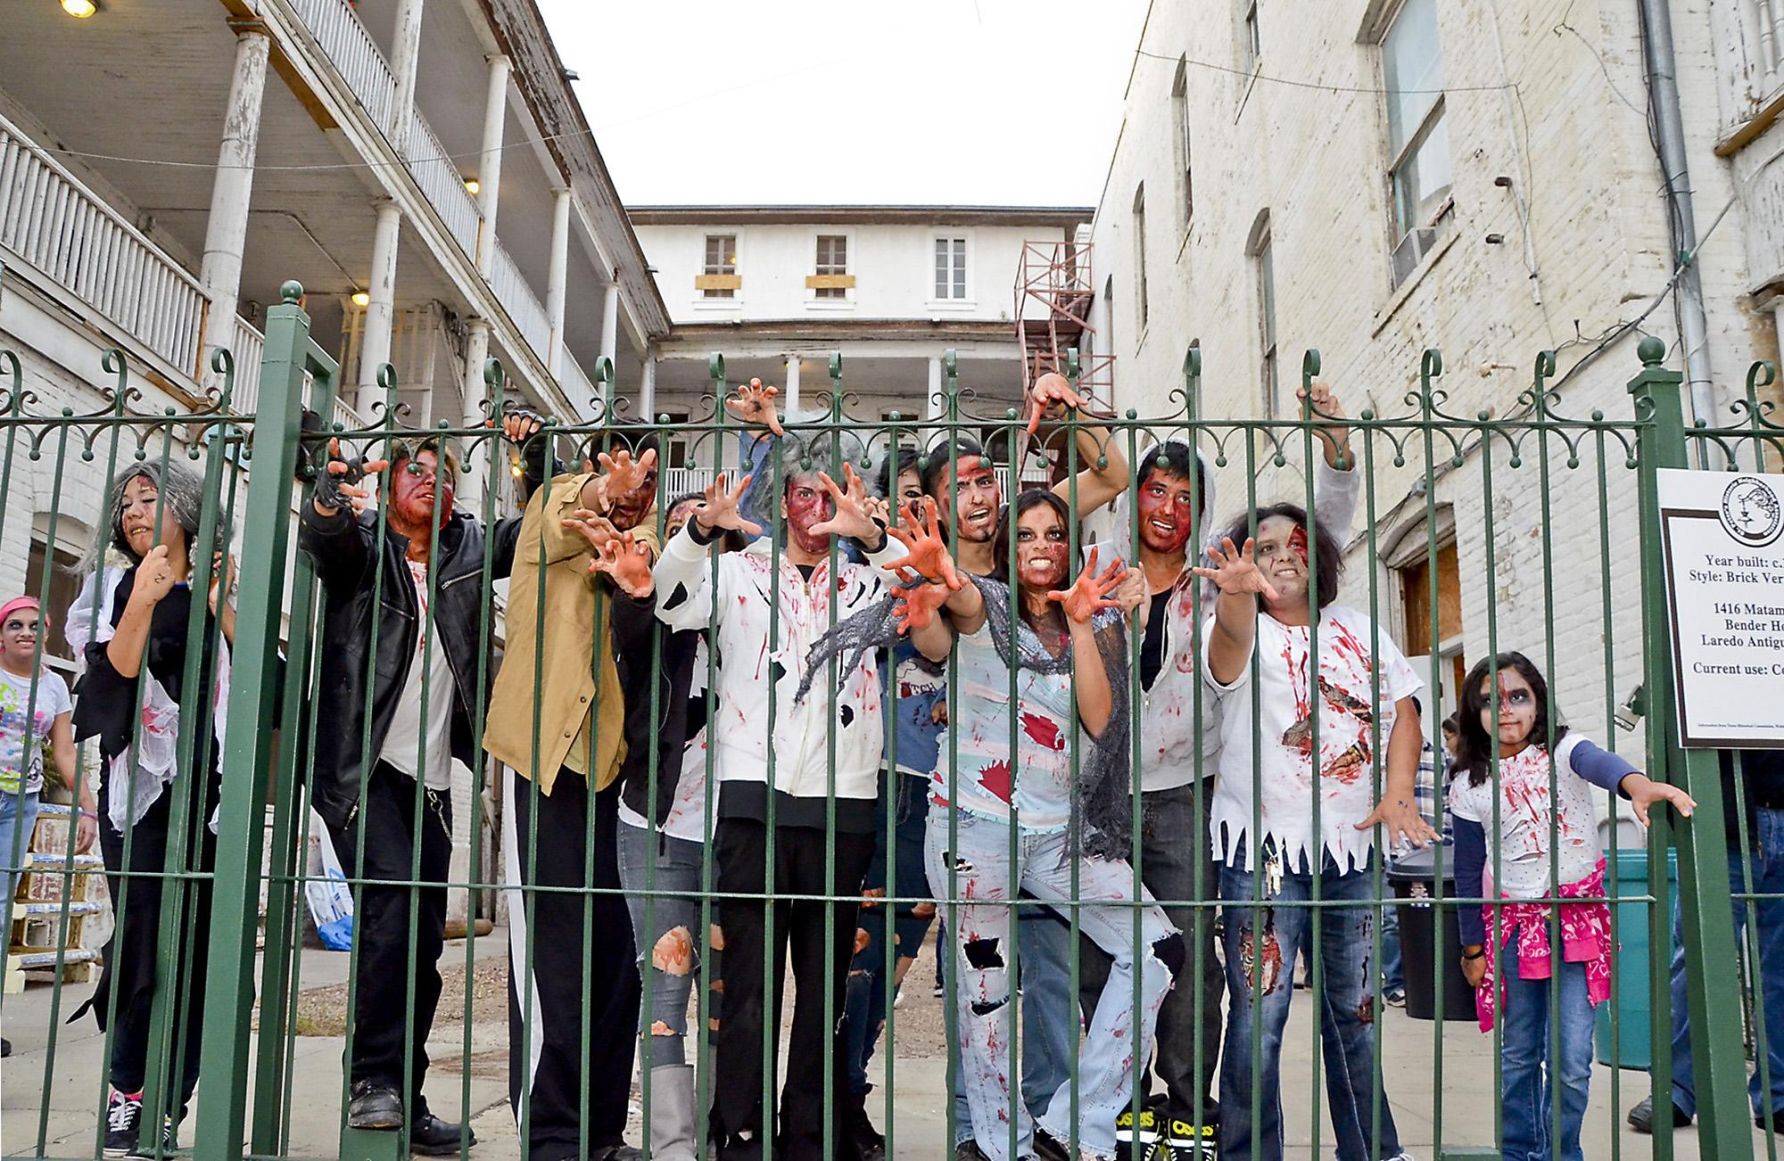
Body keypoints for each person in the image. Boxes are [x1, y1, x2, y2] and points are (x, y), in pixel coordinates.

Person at [1078, 382, 1358, 1147]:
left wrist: (1337, 456)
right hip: (1099, 791)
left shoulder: (1222, 573)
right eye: (1154, 489)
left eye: (1184, 495)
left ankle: (1186, 1101)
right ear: (1134, 497)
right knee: (1101, 948)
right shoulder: (1099, 567)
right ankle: (1118, 1095)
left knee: (1188, 950)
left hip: (1185, 790)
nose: (1167, 507)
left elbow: (1317, 541)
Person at [650, 432, 908, 1161]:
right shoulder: (737, 572)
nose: (816, 508)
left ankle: (809, 1136)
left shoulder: (867, 581)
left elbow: (926, 592)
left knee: (825, 988)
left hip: (843, 800)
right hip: (751, 797)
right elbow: (666, 600)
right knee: (749, 984)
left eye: (830, 496)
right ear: (783, 500)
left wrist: (874, 538)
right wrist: (700, 532)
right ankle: (740, 1131)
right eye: (803, 493)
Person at [907, 489, 1183, 1161]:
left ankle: (1072, 1126)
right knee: (987, 996)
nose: (1040, 544)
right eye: (1026, 533)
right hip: (974, 828)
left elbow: (1100, 719)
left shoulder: (1096, 618)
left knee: (1157, 947)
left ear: (1068, 546)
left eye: (1054, 533)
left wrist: (1083, 625)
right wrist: (939, 573)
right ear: (1009, 546)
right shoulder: (988, 605)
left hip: (1063, 835)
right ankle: (1004, 1146)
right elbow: (957, 605)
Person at [298, 426, 540, 1154]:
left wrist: (535, 458)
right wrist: (329, 494)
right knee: (394, 911)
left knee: (420, 941)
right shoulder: (367, 547)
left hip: (431, 781)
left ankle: (405, 1090)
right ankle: (373, 1078)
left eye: (444, 472)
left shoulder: (467, 548)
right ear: (389, 482)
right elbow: (327, 541)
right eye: (416, 469)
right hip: (362, 769)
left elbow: (532, 531)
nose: (431, 480)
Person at [920, 373, 1131, 1160]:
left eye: (984, 480)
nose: (977, 496)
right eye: (958, 486)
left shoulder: (1032, 531)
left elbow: (1113, 473)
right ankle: (975, 1130)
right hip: (968, 797)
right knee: (979, 976)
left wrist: (1069, 410)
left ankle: (1047, 1122)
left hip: (1051, 801)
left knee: (1048, 970)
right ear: (937, 504)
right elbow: (935, 637)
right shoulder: (943, 569)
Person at [1197, 503, 1431, 1161]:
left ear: (1318, 554)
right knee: (1260, 1017)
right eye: (1263, 546)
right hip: (1264, 854)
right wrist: (1236, 597)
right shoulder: (1237, 625)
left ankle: (1373, 1151)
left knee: (1356, 1013)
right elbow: (1227, 653)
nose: (1280, 555)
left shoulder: (1359, 627)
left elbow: (1404, 712)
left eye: (1293, 543)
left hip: (1352, 850)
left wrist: (1398, 790)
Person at [483, 429, 661, 1161]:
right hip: (548, 761)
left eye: (646, 473)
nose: (633, 483)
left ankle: (601, 1133)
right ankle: (553, 1135)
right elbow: (568, 511)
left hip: (626, 777)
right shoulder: (553, 506)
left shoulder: (652, 541)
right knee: (552, 960)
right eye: (619, 465)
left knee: (618, 964)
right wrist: (601, 492)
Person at [1450, 652, 1692, 1161]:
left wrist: (1637, 785)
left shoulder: (1563, 750)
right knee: (1519, 1054)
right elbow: (1468, 873)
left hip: (1577, 927)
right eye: (1491, 701)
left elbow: (1602, 765)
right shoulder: (1469, 784)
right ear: (1474, 712)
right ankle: (1519, 1152)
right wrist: (1472, 948)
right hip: (1513, 932)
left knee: (1573, 1061)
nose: (1507, 709)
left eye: (1519, 696)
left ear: (1538, 702)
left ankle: (1561, 1152)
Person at [71, 463, 231, 1157]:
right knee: (140, 943)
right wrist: (142, 597)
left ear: (188, 511)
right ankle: (127, 1094)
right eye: (126, 502)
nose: (134, 511)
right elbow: (111, 683)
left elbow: (270, 689)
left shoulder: (221, 592)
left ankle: (171, 1102)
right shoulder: (111, 590)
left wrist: (220, 603)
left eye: (149, 497)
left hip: (211, 797)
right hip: (136, 797)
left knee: (197, 950)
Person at [605, 491, 738, 1161]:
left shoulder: (756, 611)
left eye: (712, 526)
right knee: (665, 987)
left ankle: (718, 1135)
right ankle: (671, 1147)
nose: (701, 533)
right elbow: (631, 628)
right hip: (657, 825)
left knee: (726, 992)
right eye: (687, 526)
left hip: (738, 832)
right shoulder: (652, 613)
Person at [839, 446, 942, 1161]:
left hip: (938, 785)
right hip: (870, 777)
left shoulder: (948, 563)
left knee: (897, 959)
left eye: (919, 494)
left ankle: (847, 1086)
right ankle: (837, 1095)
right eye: (897, 492)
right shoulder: (854, 564)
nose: (907, 505)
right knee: (860, 953)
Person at [1627, 745, 1784, 1135]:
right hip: (1722, 822)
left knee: (1780, 970)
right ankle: (1676, 1091)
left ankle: (1778, 1097)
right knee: (1697, 963)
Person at [0, 595, 96, 1059]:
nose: (26, 632)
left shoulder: (54, 686)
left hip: (20, 803)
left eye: (36, 626)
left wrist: (87, 807)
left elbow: (64, 752)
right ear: (1, 635)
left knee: (1, 910)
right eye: (15, 625)